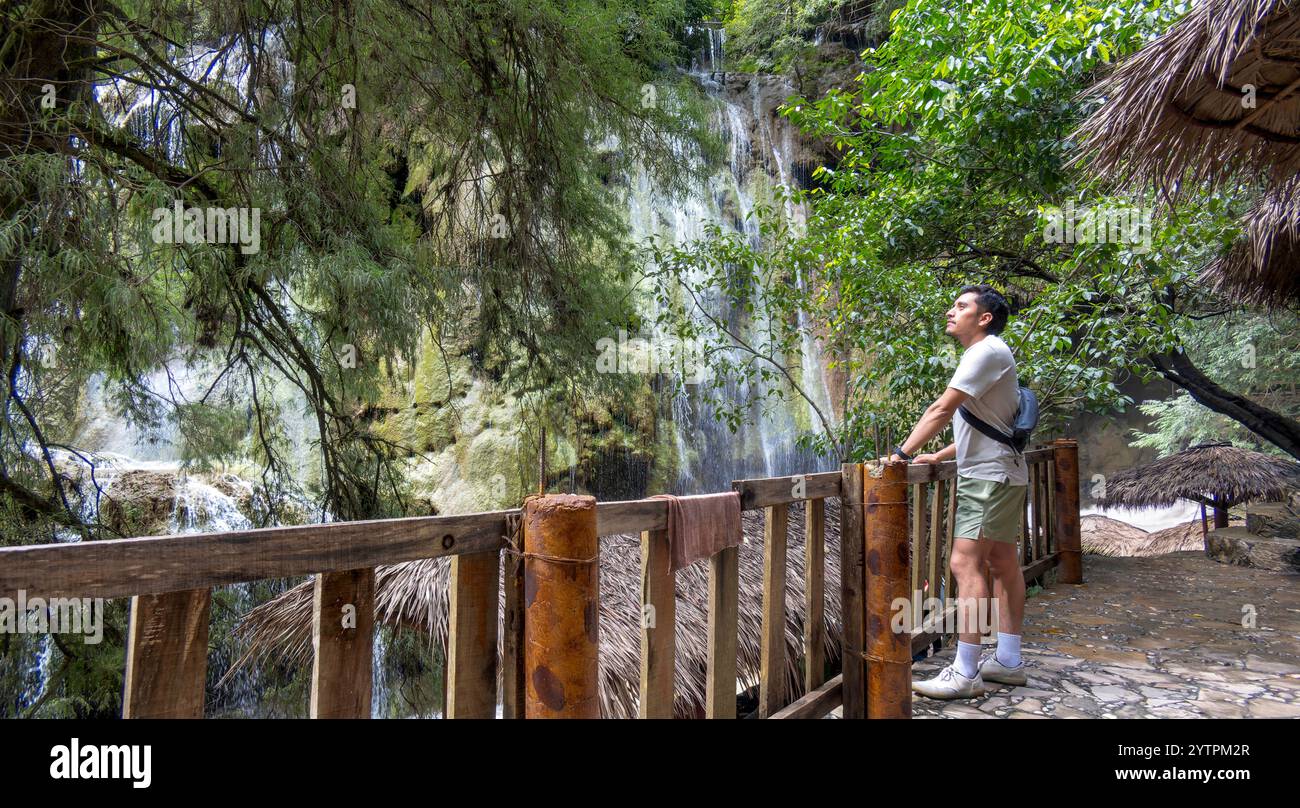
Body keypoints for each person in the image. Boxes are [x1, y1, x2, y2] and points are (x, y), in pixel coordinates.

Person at [886, 284, 1029, 699]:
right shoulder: (987, 354)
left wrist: (902, 453)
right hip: (1000, 472)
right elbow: (988, 421)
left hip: (987, 478)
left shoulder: (985, 351)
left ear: (984, 318)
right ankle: (1008, 660)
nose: (952, 311)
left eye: (961, 306)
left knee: (964, 563)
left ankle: (966, 671)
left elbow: (942, 409)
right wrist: (939, 454)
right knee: (1002, 562)